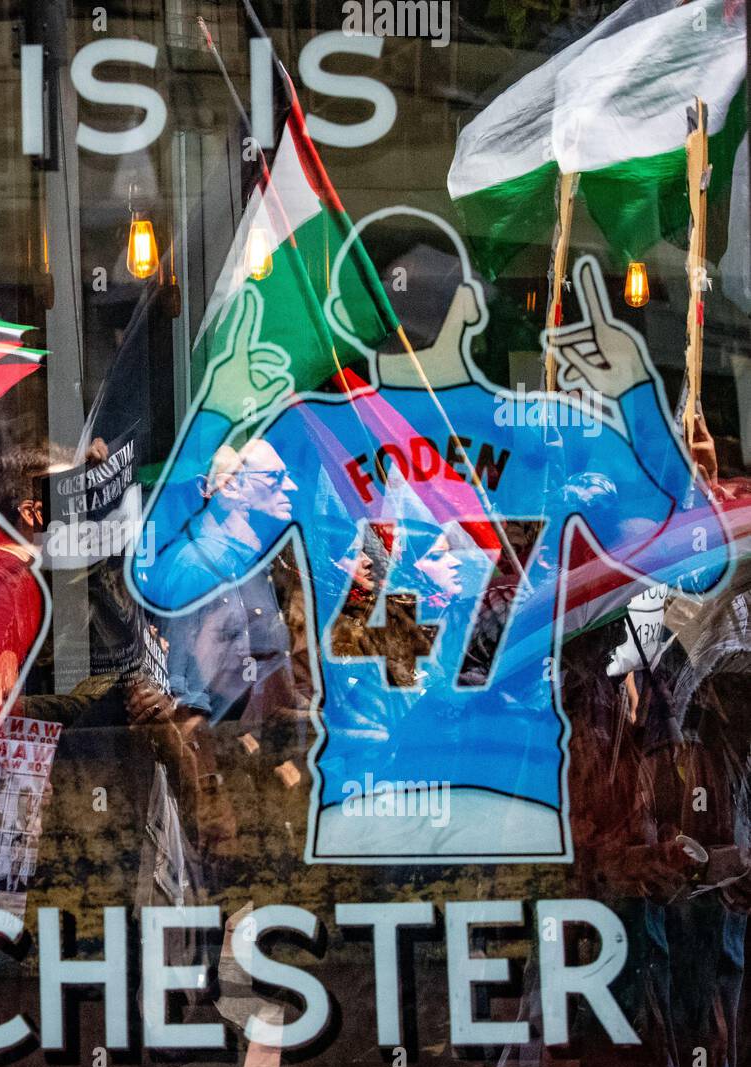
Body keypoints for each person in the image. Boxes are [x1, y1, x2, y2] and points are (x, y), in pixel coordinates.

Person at [131, 207, 731, 863]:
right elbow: (700, 560)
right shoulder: (549, 432)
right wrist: (636, 397)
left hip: (369, 796)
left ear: (349, 320)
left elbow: (163, 577)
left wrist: (215, 410)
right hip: (511, 794)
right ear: (471, 311)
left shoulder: (307, 438)